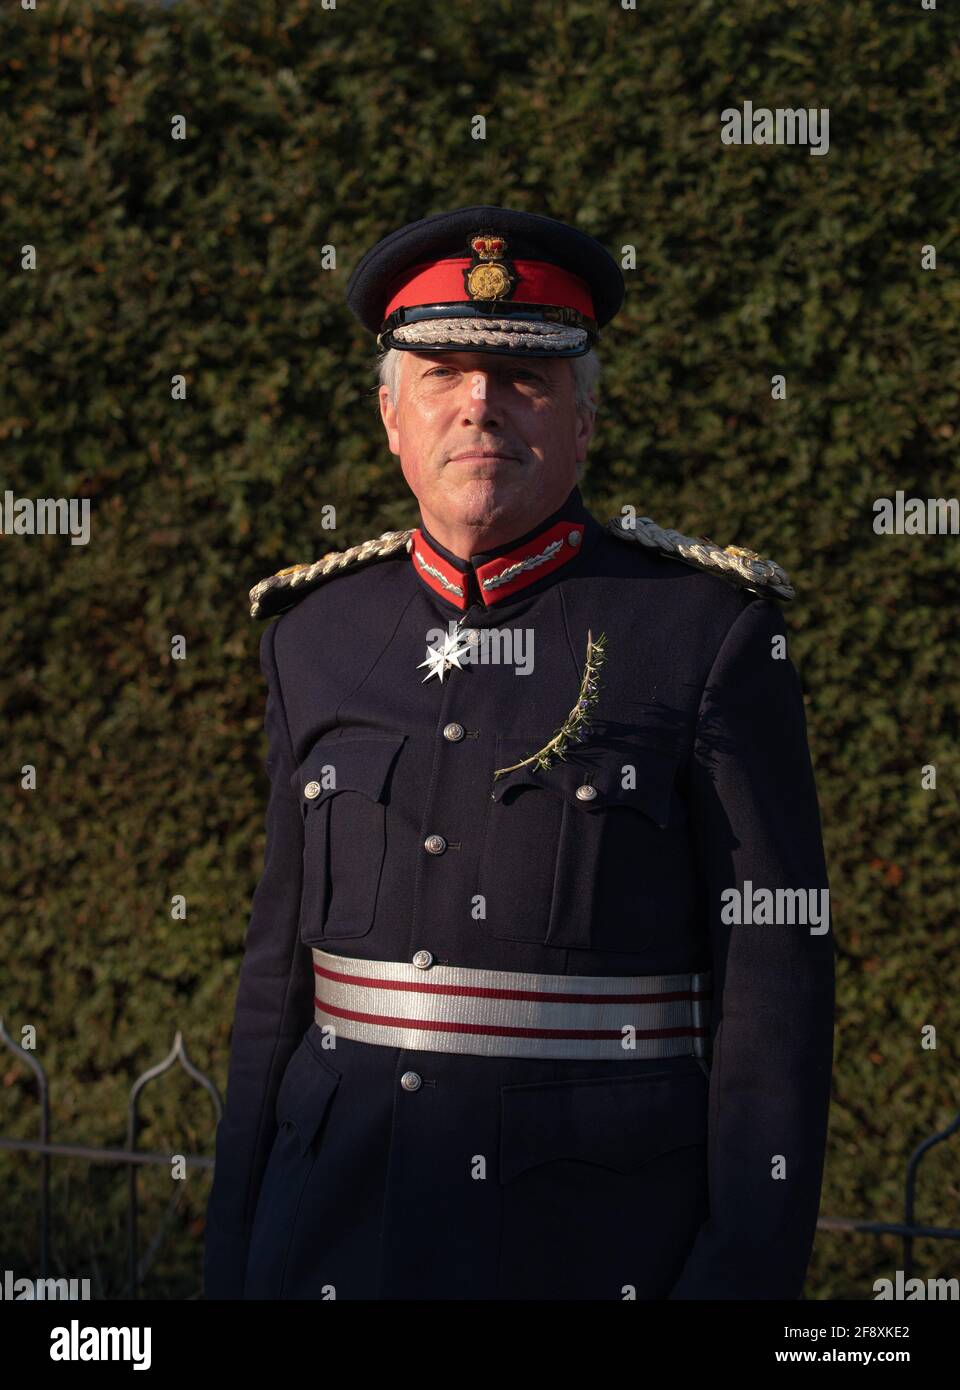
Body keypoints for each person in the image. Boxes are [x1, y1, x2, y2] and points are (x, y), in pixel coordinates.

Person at [203, 204, 835, 1300]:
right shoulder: (310, 637)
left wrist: (737, 1280)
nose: (480, 406)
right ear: (392, 419)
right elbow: (277, 983)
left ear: (584, 422)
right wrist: (234, 1247)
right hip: (325, 1243)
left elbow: (773, 1002)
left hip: (592, 1253)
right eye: (442, 373)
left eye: (524, 379)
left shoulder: (708, 633)